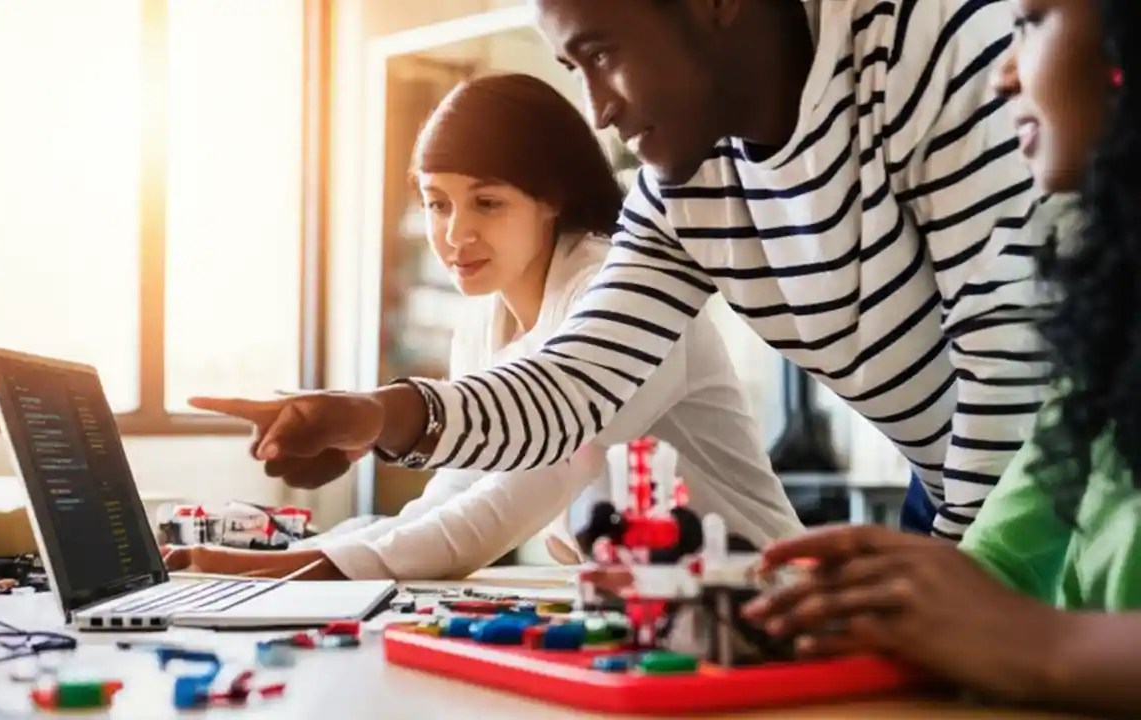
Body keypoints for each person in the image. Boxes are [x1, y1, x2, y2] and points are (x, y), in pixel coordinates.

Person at [194, 0, 1047, 540]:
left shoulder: (925, 44)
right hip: (955, 498)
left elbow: (1011, 352)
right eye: (575, 68)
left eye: (601, 52)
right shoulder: (681, 190)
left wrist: (964, 580)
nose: (598, 110)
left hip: (1069, 492)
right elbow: (571, 388)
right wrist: (374, 414)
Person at [167, 74, 801, 580]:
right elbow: (458, 490)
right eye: (437, 203)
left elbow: (513, 499)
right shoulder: (481, 319)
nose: (454, 235)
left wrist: (289, 567)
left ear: (552, 195)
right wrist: (317, 550)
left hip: (759, 593)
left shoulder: (625, 295)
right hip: (643, 600)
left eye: (488, 202)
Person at [742, 1, 1141, 715]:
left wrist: (1042, 646)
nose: (1005, 75)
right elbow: (994, 571)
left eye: (1036, 20)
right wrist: (838, 608)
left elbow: (1016, 625)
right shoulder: (1107, 358)